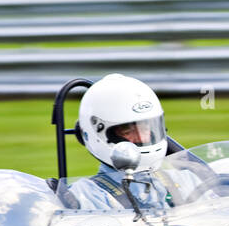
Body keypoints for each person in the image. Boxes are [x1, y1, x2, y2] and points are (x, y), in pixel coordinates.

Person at [69, 73, 170, 209]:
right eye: (127, 131)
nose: (142, 138)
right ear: (97, 133)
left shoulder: (184, 180)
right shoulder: (87, 196)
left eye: (146, 127)